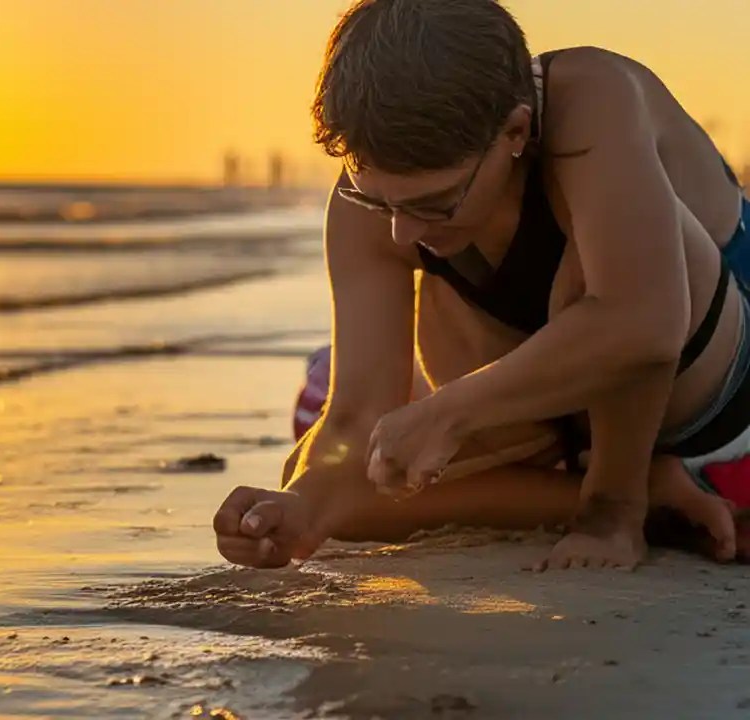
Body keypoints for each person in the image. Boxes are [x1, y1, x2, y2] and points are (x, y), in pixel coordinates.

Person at [215, 0, 750, 571]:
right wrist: (299, 509)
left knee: (597, 275)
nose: (402, 229)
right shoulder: (372, 204)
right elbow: (354, 420)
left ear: (515, 130)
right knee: (345, 480)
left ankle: (616, 505)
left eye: (433, 203)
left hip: (711, 385)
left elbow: (643, 322)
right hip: (565, 418)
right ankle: (651, 494)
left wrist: (449, 413)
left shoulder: (592, 99)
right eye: (376, 198)